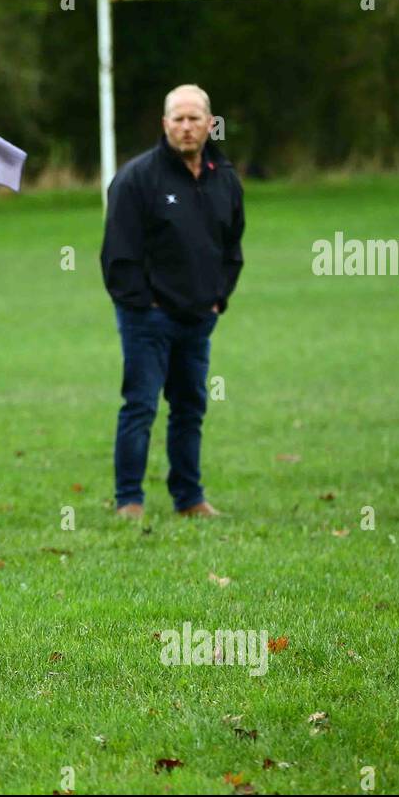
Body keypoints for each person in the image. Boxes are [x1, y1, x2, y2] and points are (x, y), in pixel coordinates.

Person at [101, 84, 244, 519]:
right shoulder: (137, 178)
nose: (186, 127)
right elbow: (117, 256)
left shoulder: (225, 178)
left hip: (199, 318)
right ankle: (129, 500)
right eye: (178, 119)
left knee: (189, 408)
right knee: (141, 406)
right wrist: (146, 305)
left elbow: (231, 246)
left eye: (194, 118)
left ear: (209, 123)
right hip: (148, 318)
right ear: (165, 124)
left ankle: (189, 498)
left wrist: (218, 298)